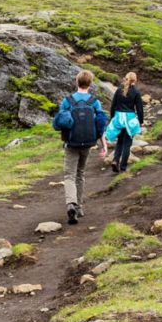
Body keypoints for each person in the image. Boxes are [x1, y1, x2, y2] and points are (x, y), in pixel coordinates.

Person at [52, 70, 107, 225]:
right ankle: (79, 207)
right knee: (80, 174)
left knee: (69, 175)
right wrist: (104, 146)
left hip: (71, 143)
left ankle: (71, 203)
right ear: (90, 83)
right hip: (88, 143)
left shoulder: (67, 101)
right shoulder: (94, 102)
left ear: (77, 82)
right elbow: (100, 125)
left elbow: (60, 122)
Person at [105, 72, 144, 173]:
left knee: (119, 142)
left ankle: (115, 161)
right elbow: (139, 109)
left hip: (118, 118)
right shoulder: (136, 92)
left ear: (125, 79)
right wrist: (141, 121)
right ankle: (123, 168)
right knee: (127, 143)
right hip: (129, 120)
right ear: (135, 80)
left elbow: (113, 105)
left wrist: (113, 119)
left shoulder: (119, 90)